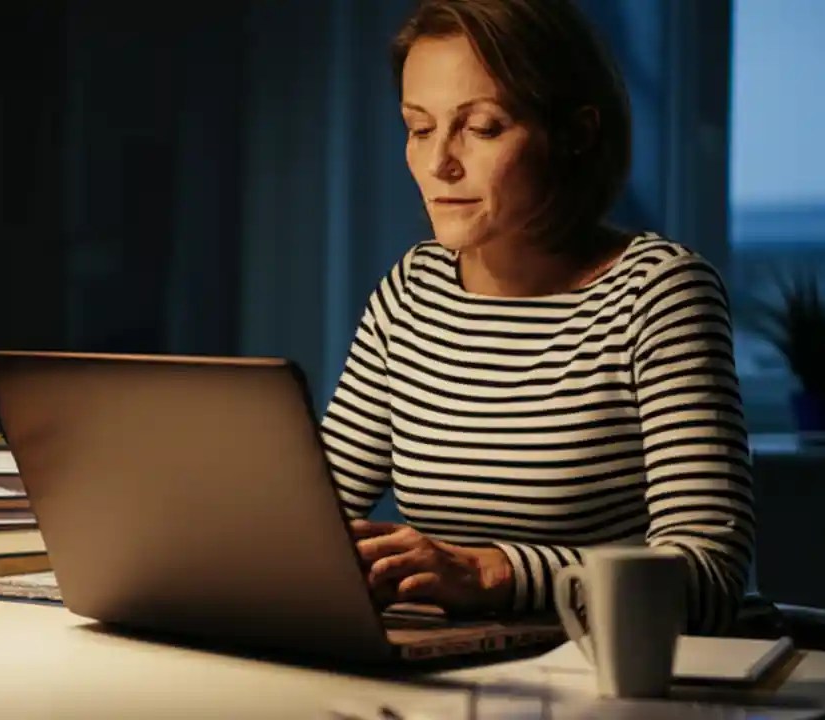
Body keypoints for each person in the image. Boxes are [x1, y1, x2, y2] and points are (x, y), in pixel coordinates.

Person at [320, 0, 754, 636]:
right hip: (446, 672)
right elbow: (311, 521)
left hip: (599, 678)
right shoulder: (412, 291)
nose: (440, 162)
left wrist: (494, 573)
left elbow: (708, 576)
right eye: (419, 128)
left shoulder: (656, 293)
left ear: (575, 133)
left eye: (484, 127)